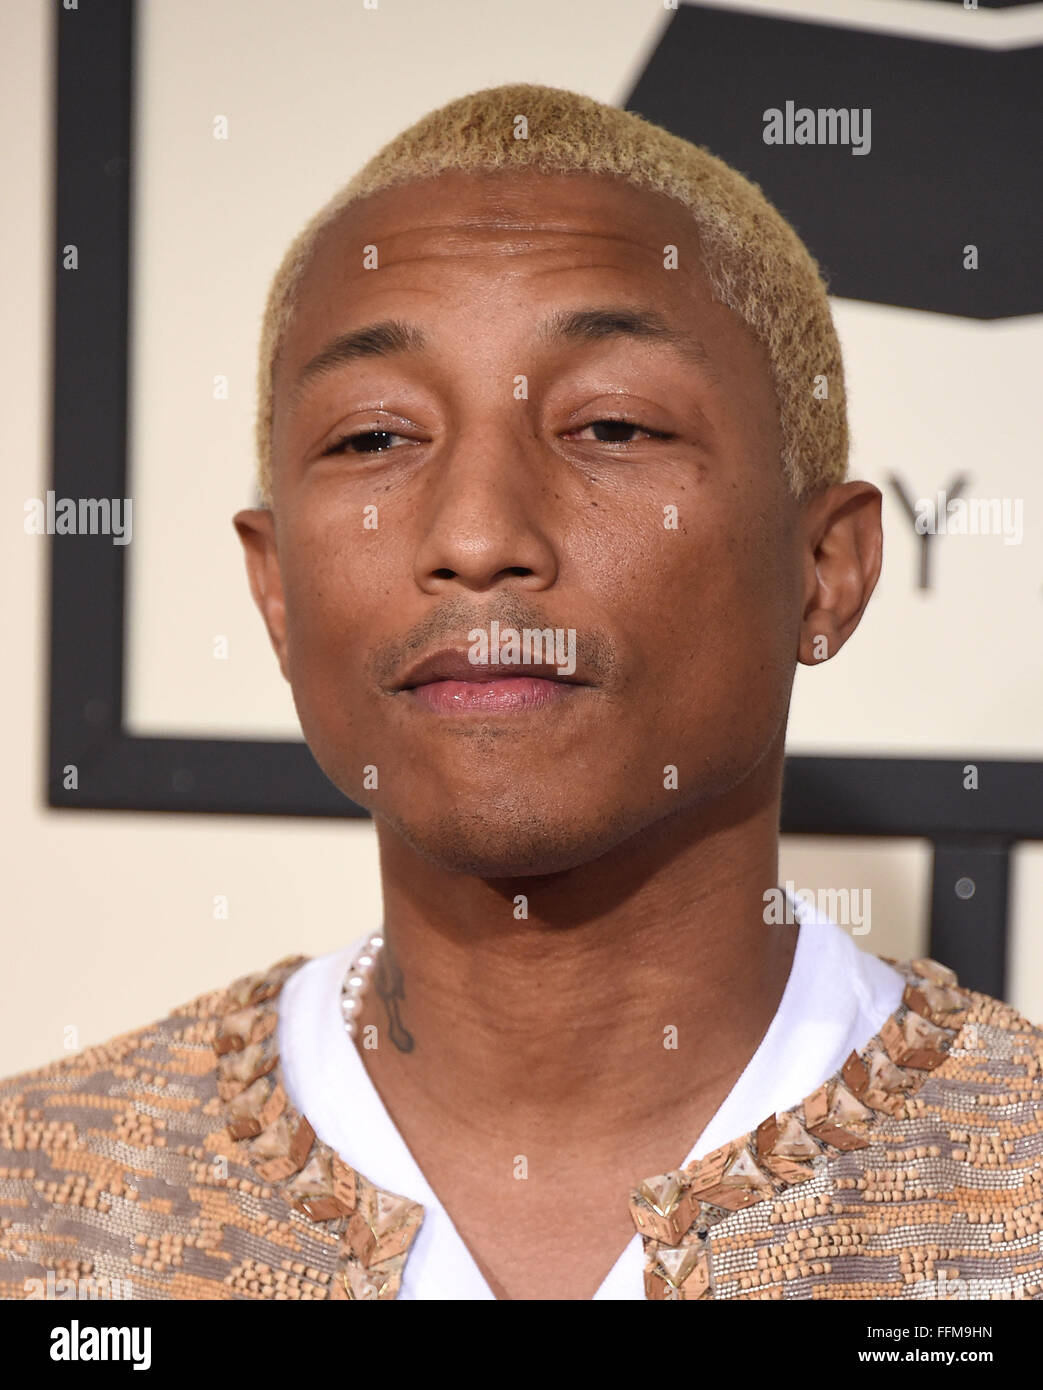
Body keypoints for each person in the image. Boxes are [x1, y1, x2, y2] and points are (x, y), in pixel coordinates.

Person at [3, 83, 1041, 1303]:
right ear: (276, 590)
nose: (478, 532)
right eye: (374, 439)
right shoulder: (42, 1204)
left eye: (607, 424)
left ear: (824, 568)